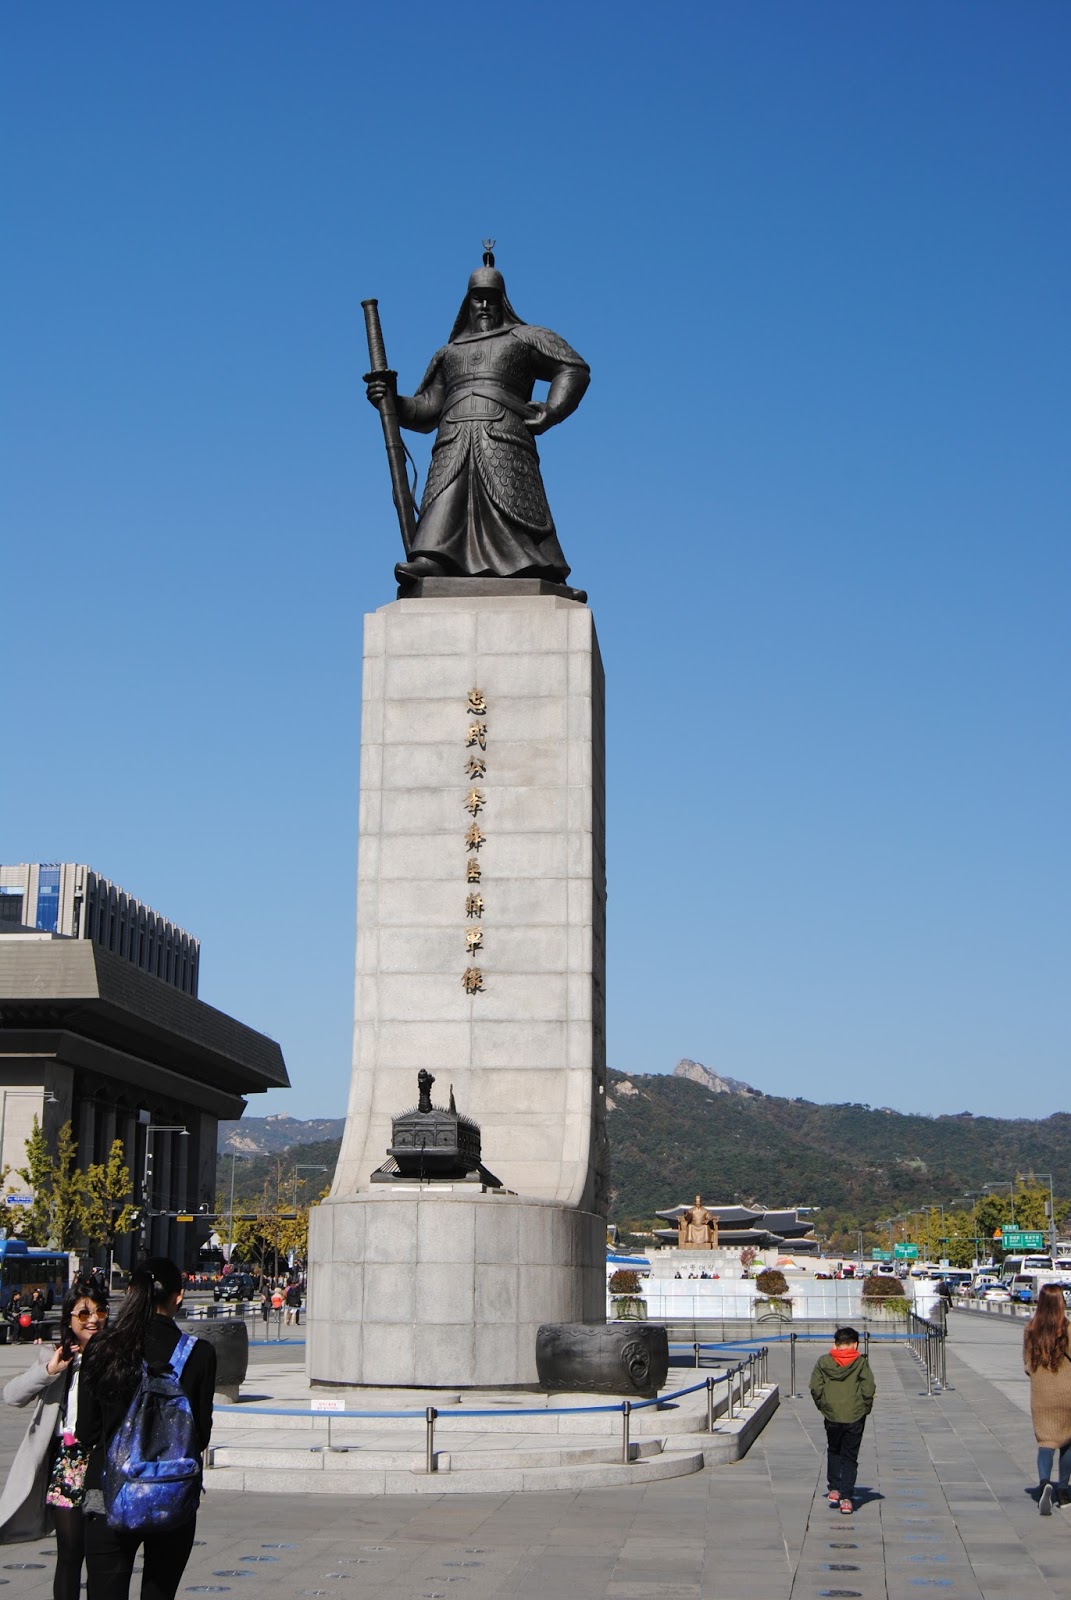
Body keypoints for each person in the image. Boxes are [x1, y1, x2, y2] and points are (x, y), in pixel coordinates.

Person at [366, 250, 590, 591]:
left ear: (503, 302)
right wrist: (392, 401)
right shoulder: (449, 353)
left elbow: (573, 368)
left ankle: (530, 566)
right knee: (444, 502)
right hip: (453, 441)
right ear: (466, 303)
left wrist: (553, 409)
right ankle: (434, 558)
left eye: (491, 298)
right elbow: (427, 408)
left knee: (514, 508)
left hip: (503, 437)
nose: (484, 305)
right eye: (477, 298)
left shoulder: (524, 338)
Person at [78, 1257, 216, 1600]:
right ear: (179, 1296)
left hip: (109, 1493)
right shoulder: (200, 1354)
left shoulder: (102, 1348)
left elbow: (87, 1431)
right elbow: (200, 1434)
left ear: (131, 1292)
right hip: (172, 1495)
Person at [0, 1277, 108, 1600]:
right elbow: (11, 1396)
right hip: (67, 1463)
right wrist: (49, 1369)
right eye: (83, 1314)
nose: (92, 1320)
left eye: (99, 1312)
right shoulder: (58, 1357)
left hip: (102, 1459)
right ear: (69, 1319)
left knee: (100, 1554)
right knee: (70, 1552)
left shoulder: (114, 1358)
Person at [809, 1326, 876, 1515]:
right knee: (850, 1456)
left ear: (835, 1344)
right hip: (855, 1414)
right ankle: (846, 1498)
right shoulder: (860, 1362)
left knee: (834, 1449)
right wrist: (865, 1408)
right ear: (855, 1344)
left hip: (831, 1415)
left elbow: (815, 1387)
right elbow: (868, 1388)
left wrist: (823, 1406)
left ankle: (834, 1488)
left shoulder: (824, 1361)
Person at [1023, 1284, 1071, 1514]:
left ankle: (1044, 1484)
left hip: (1041, 1395)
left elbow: (1027, 1365)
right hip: (1068, 1394)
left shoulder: (1030, 1330)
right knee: (1068, 1440)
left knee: (1046, 1441)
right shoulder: (1068, 1329)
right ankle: (1063, 1491)